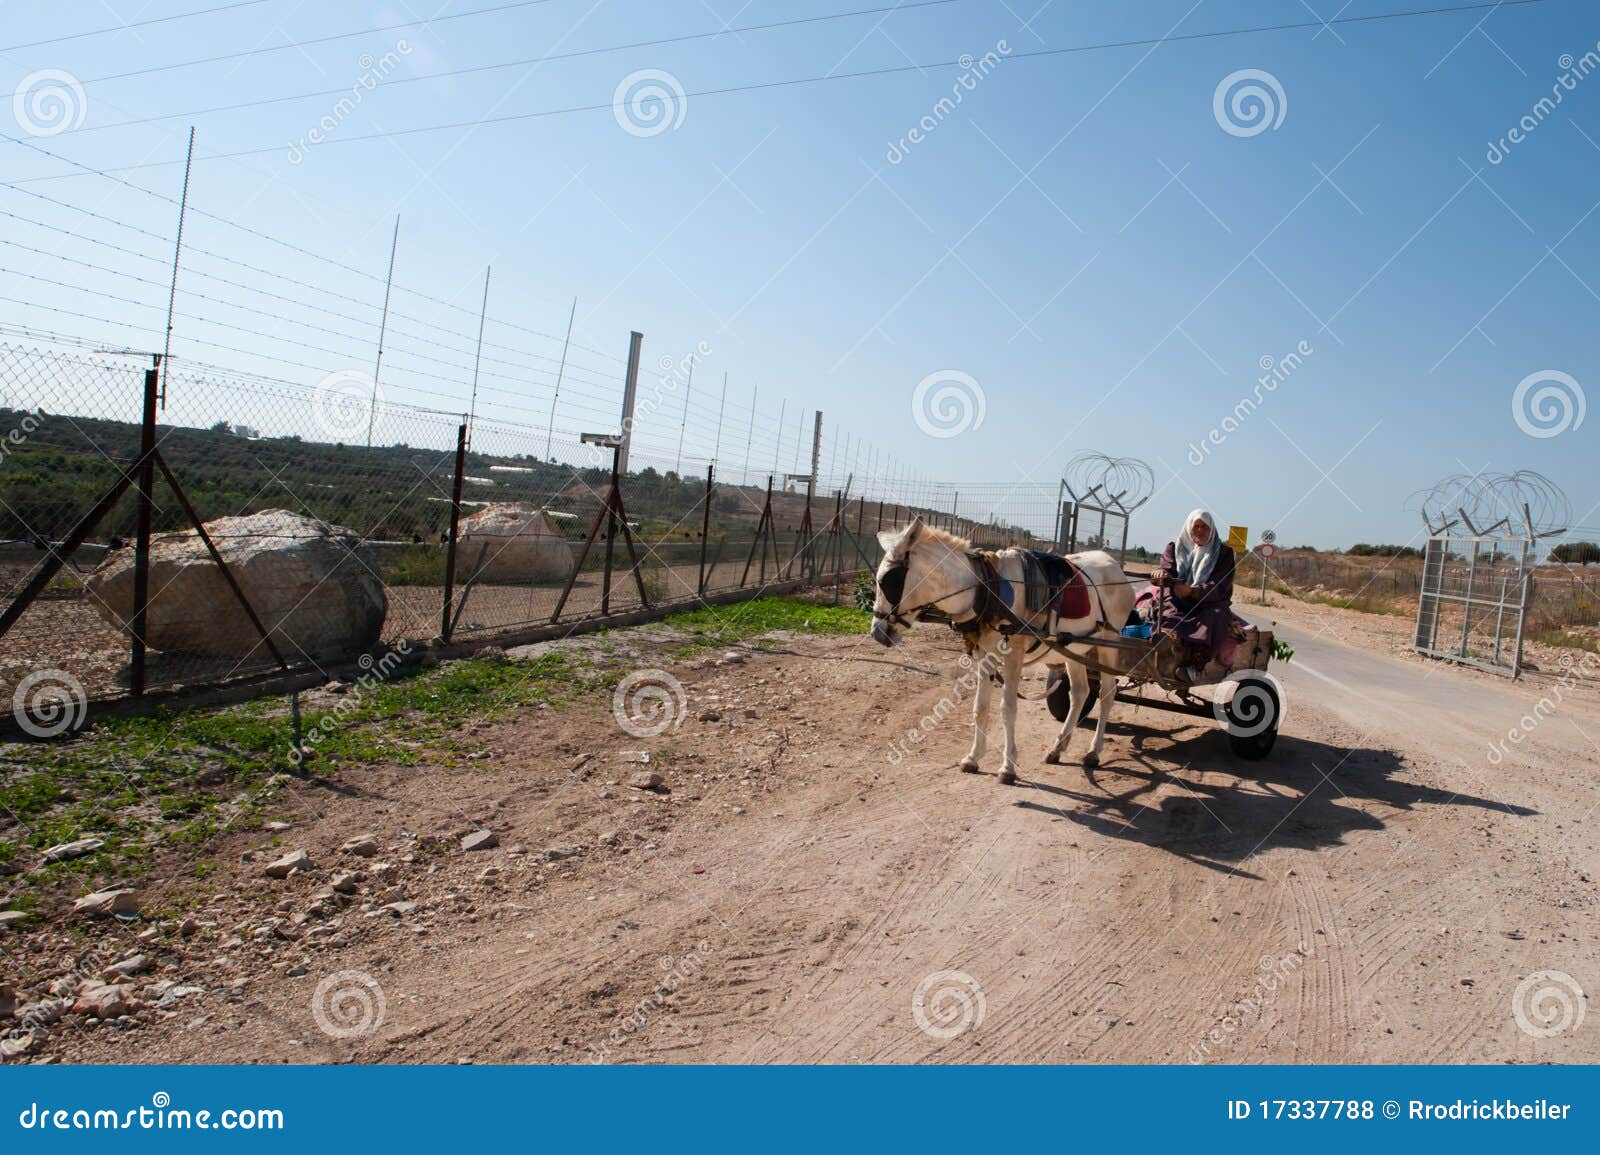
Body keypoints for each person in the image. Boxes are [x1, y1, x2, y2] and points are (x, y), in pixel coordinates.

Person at [1135, 508, 1236, 681]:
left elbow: (1220, 585)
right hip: (1177, 599)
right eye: (1196, 526)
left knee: (1216, 617)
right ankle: (1166, 651)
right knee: (1166, 612)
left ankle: (1193, 667)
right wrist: (1161, 575)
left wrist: (1193, 591)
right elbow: (1167, 571)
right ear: (1189, 528)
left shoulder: (1224, 554)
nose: (1200, 531)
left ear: (1212, 530)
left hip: (1209, 602)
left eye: (1205, 527)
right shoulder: (1174, 548)